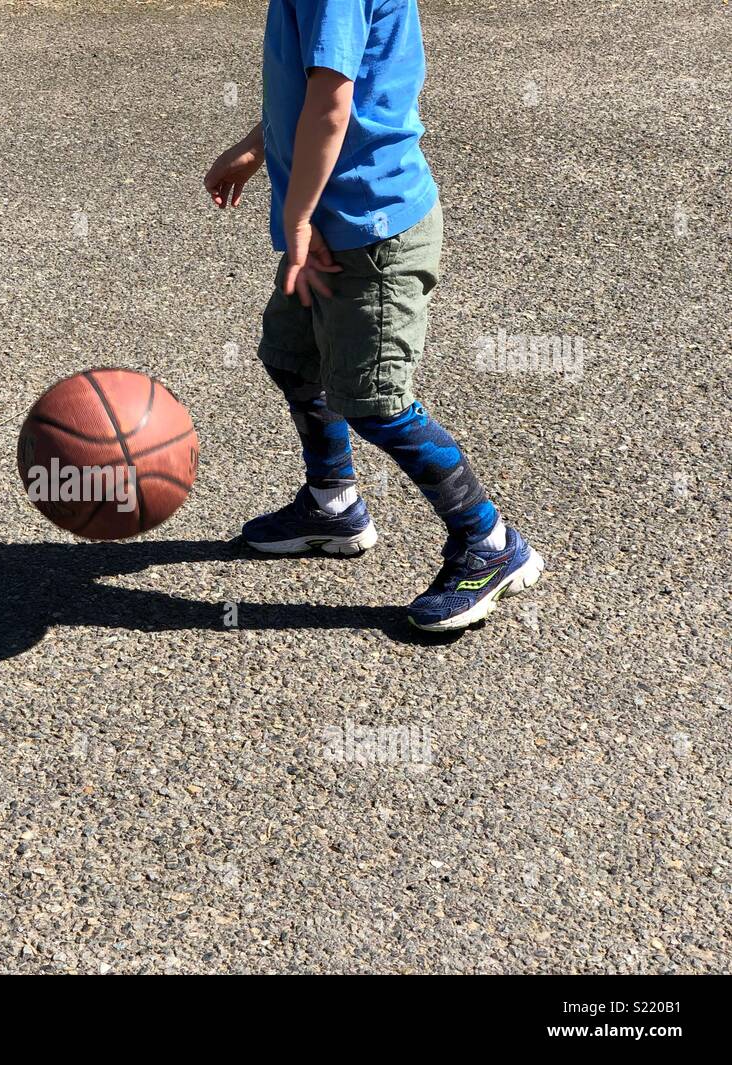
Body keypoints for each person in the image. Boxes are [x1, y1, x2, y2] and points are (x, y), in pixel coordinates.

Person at [203, 0, 543, 631]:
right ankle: (333, 506)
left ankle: (489, 543)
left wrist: (298, 217)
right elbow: (314, 89)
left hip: (371, 235)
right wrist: (256, 148)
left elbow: (333, 105)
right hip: (337, 229)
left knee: (373, 400)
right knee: (293, 358)